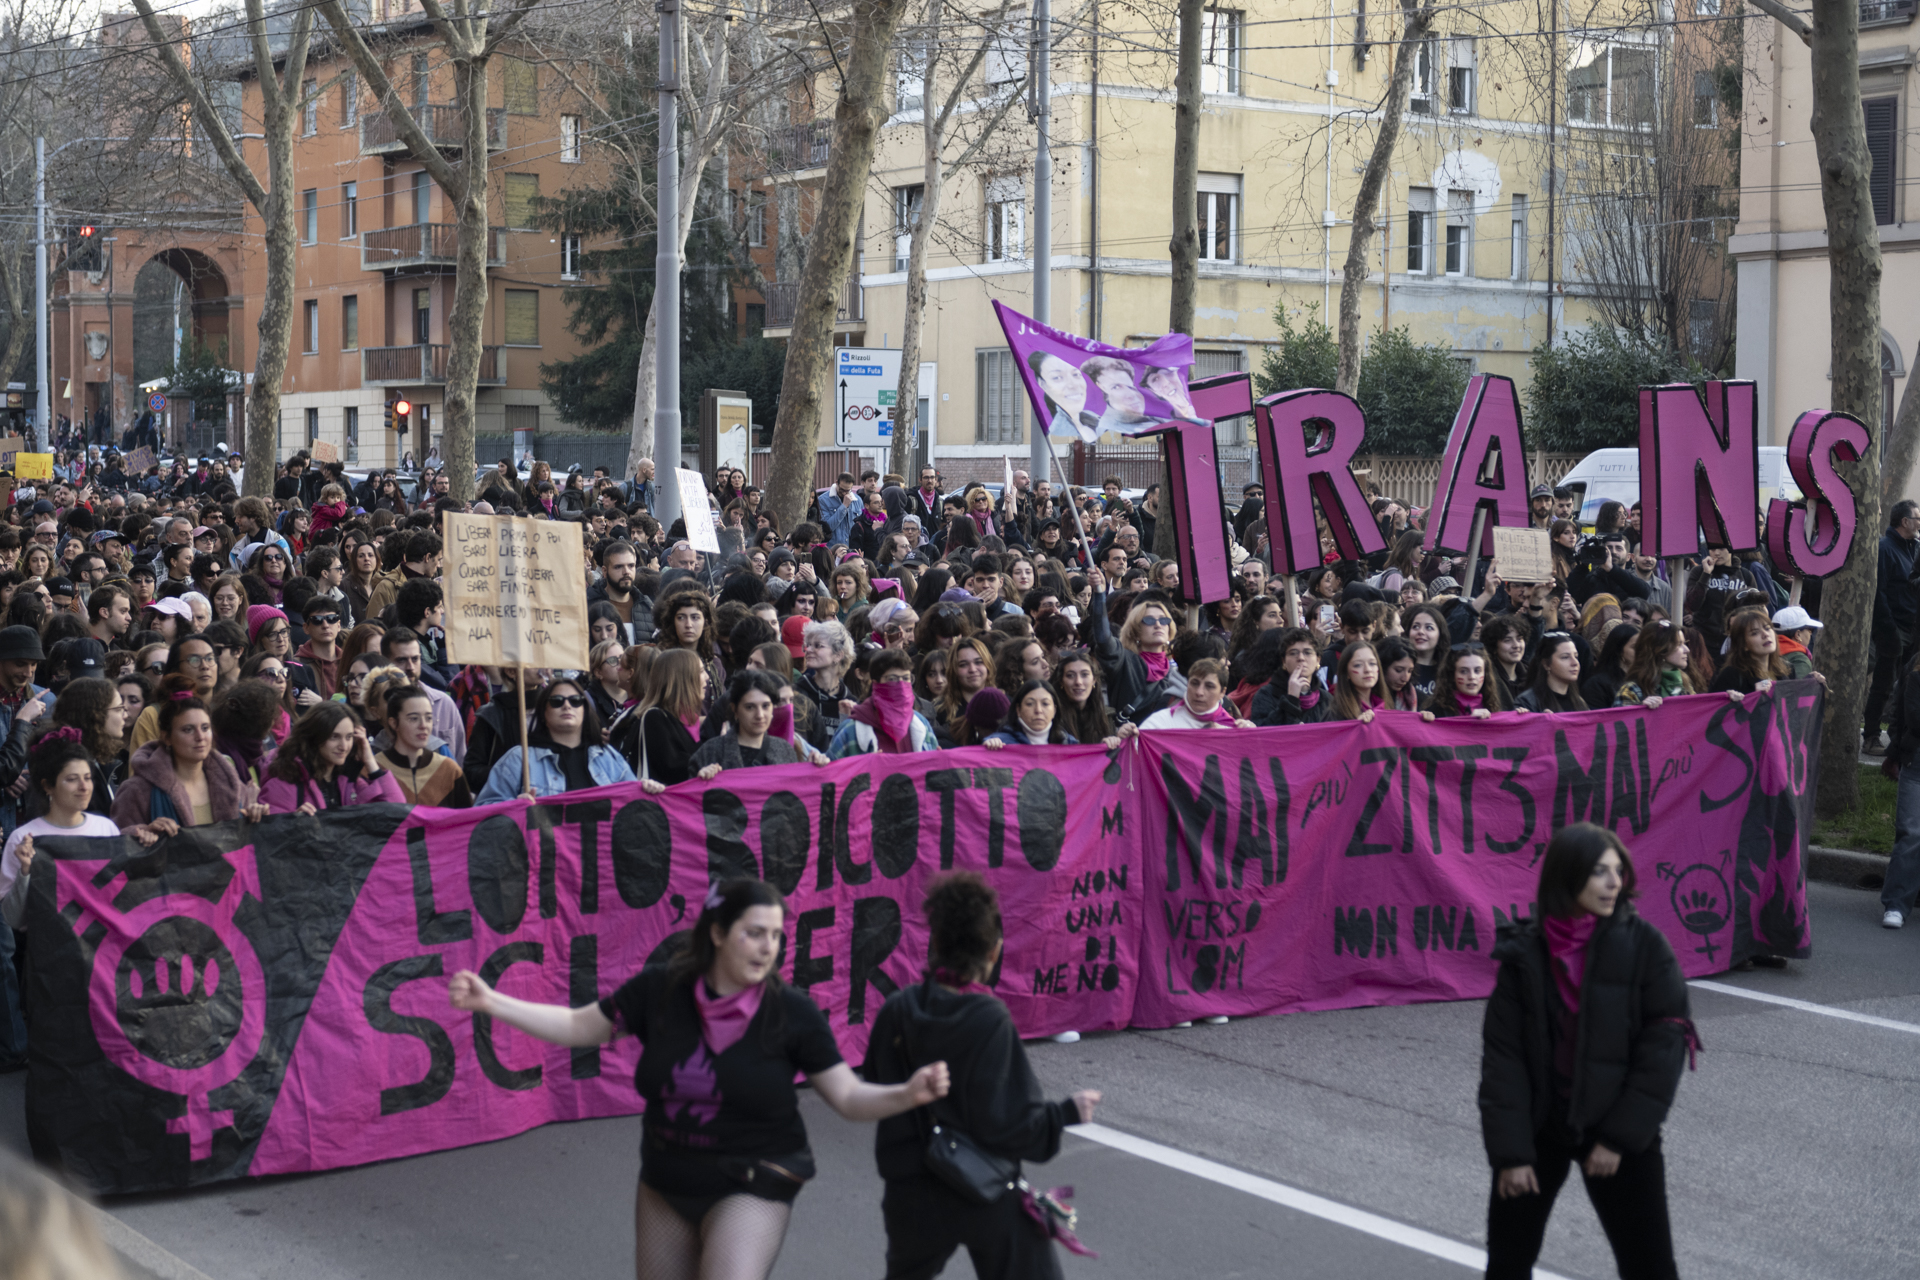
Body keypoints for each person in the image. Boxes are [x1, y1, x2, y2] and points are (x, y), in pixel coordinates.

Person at [446, 879, 949, 1280]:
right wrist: (492, 1001)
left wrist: (908, 1093)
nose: (768, 948)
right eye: (754, 933)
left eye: (776, 936)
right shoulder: (660, 990)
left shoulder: (792, 1014)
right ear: (718, 933)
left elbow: (847, 1095)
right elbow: (580, 1026)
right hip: (667, 1180)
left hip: (752, 1179)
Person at [1479, 823, 1694, 1280]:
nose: (1615, 882)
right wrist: (1512, 1155)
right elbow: (1504, 1061)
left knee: (1650, 1269)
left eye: (1618, 871)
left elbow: (1664, 1048)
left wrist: (1619, 1140)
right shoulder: (1524, 954)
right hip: (1541, 1127)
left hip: (1616, 1128)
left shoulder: (1646, 947)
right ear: (1567, 876)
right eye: (1600, 872)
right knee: (1507, 1265)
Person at [866, 872, 1100, 1279]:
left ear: (936, 944)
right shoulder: (990, 1019)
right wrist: (1066, 1113)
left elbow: (875, 1092)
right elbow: (1013, 1125)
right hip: (980, 1190)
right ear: (994, 952)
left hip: (910, 1193)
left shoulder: (897, 1010)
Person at [112, 687, 270, 837]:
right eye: (188, 729)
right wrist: (143, 832)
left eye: (205, 728)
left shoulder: (230, 781)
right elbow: (115, 843)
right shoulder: (138, 790)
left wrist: (257, 816)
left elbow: (246, 840)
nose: (200, 737)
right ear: (166, 737)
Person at [477, 677, 637, 804]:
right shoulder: (519, 759)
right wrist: (513, 807)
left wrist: (647, 789)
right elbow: (484, 809)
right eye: (557, 701)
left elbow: (634, 803)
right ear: (543, 712)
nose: (567, 705)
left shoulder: (607, 757)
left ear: (584, 710)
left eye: (575, 700)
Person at [259, 704, 404, 815]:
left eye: (349, 737)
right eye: (335, 737)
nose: (344, 746)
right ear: (314, 736)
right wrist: (294, 825)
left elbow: (396, 814)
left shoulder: (351, 781)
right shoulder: (284, 782)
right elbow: (271, 837)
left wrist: (370, 761)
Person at [691, 671, 807, 778]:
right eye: (750, 707)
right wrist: (700, 781)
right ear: (735, 709)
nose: (760, 715)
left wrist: (815, 765)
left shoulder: (785, 750)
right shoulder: (709, 753)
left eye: (765, 706)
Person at [827, 649, 939, 756]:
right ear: (876, 684)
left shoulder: (922, 725)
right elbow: (832, 767)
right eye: (892, 679)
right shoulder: (851, 730)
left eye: (906, 678)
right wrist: (865, 765)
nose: (901, 685)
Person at [624, 648, 709, 786]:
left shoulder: (684, 718)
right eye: (700, 671)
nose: (707, 677)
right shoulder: (655, 718)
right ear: (682, 678)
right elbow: (675, 771)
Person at [1139, 658, 1253, 730]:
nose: (1199, 692)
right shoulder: (1160, 723)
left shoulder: (1233, 728)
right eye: (1194, 683)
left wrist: (1251, 736)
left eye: (1209, 686)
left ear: (1222, 692)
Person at [1421, 642, 1504, 720]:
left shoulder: (1492, 707)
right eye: (1464, 671)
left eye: (1477, 671)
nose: (1472, 677)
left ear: (1485, 674)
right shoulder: (1435, 712)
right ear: (1452, 675)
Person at [1515, 634, 1588, 713]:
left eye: (1576, 657)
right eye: (1565, 657)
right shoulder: (1527, 701)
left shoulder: (1579, 702)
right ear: (1546, 664)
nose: (1575, 663)